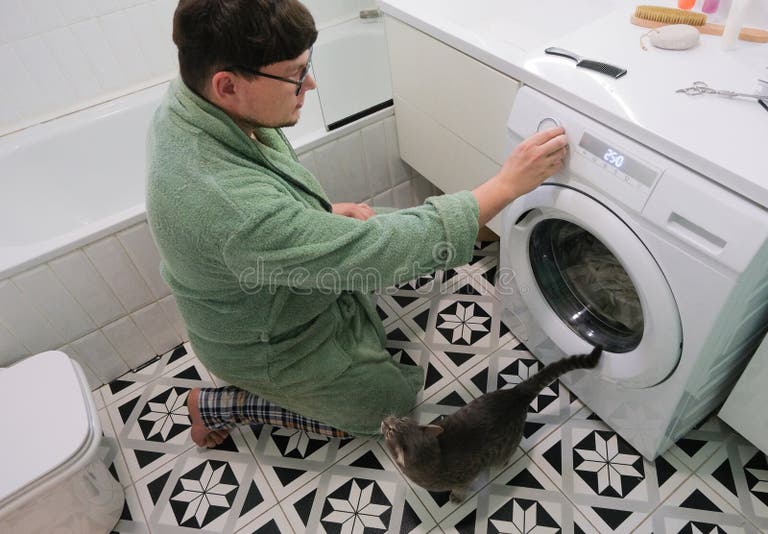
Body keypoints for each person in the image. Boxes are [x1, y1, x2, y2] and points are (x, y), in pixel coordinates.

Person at [146, 0, 568, 448]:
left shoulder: (193, 103)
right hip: (268, 343)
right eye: (294, 74)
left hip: (268, 289)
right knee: (388, 405)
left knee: (380, 222)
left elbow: (259, 213)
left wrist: (319, 218)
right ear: (227, 85)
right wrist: (506, 185)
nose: (310, 82)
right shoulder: (225, 203)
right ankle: (219, 406)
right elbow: (364, 248)